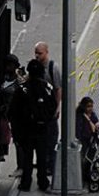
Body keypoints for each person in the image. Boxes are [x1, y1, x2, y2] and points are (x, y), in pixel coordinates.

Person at [9, 59, 55, 192]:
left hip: (26, 129)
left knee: (27, 158)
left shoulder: (22, 88)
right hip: (42, 129)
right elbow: (52, 106)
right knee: (42, 157)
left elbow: (13, 111)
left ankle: (26, 182)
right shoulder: (47, 87)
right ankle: (43, 182)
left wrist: (17, 129)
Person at [34, 42, 62, 176]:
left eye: (40, 53)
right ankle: (42, 164)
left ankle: (51, 165)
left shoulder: (53, 68)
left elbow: (58, 89)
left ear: (46, 52)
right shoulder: (35, 67)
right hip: (38, 109)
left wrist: (57, 107)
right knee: (40, 140)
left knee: (51, 139)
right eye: (36, 53)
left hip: (49, 109)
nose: (37, 56)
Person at [0, 54, 23, 166]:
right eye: (7, 65)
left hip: (15, 114)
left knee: (18, 140)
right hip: (2, 113)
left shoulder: (19, 82)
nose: (8, 67)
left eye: (11, 65)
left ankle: (21, 165)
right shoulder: (0, 79)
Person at [75, 96, 98, 191]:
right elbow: (78, 129)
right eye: (88, 106)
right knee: (83, 158)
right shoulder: (80, 115)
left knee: (90, 159)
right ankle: (82, 177)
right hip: (83, 139)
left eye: (92, 106)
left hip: (91, 139)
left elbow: (96, 125)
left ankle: (87, 175)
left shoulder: (92, 115)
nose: (90, 108)